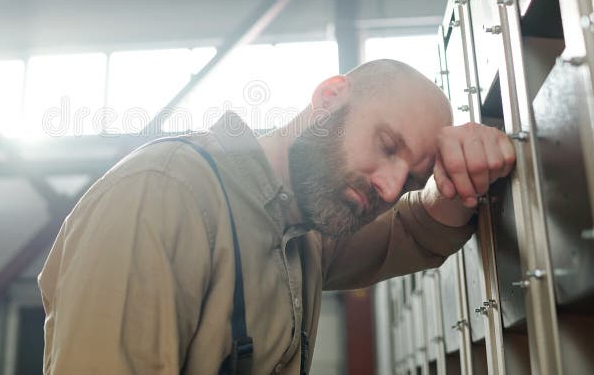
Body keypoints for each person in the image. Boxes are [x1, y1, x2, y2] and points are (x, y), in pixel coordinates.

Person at [37, 59, 515, 374]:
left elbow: (414, 231)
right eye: (387, 146)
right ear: (329, 98)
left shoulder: (304, 226)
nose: (390, 188)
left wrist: (465, 175)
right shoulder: (163, 195)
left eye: (410, 180)